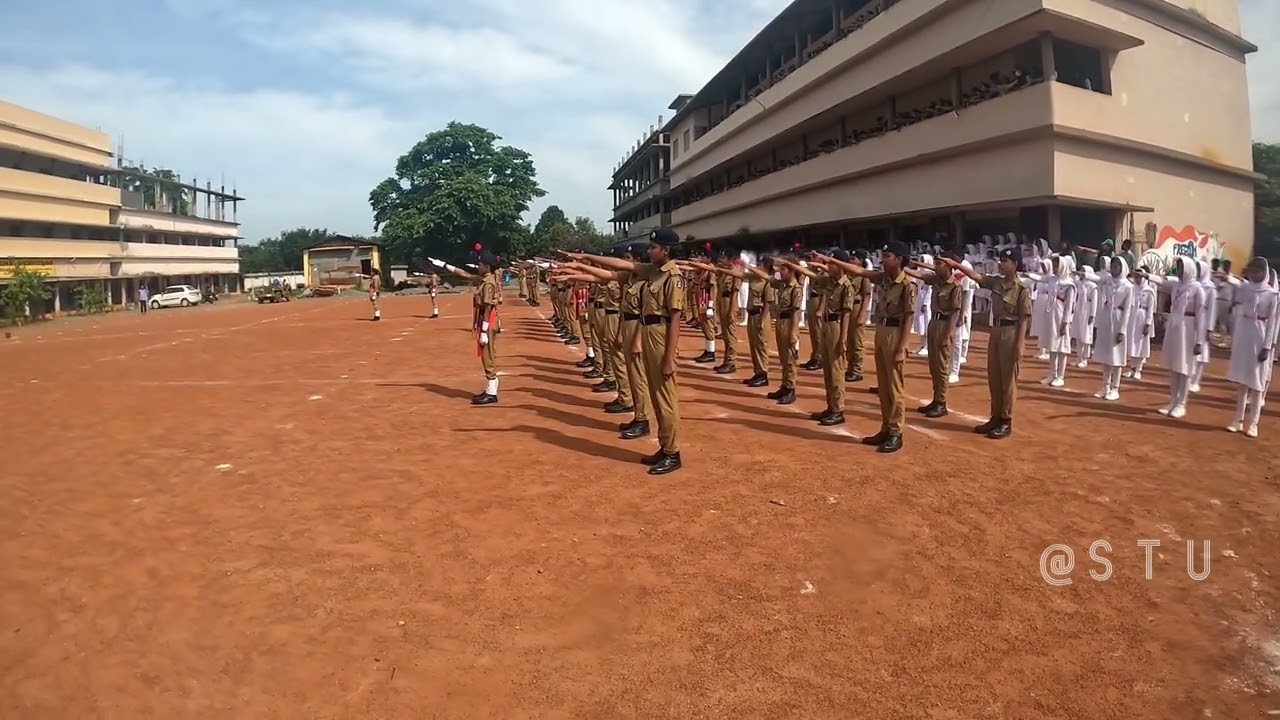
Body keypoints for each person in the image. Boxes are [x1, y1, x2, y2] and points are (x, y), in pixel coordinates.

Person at [557, 230, 685, 474]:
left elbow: (676, 320)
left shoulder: (673, 277)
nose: (650, 251)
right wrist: (583, 259)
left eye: (654, 247)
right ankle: (665, 447)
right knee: (655, 395)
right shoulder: (653, 271)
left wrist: (669, 358)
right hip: (648, 331)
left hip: (661, 335)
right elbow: (617, 267)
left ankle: (673, 452)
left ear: (666, 250)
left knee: (665, 398)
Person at [816, 242, 916, 452]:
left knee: (894, 387)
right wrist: (832, 260)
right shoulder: (884, 279)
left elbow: (909, 317)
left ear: (899, 259)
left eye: (887, 256)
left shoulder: (907, 285)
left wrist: (902, 347)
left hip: (895, 333)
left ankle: (896, 432)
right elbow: (860, 271)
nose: (883, 259)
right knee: (883, 386)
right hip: (882, 331)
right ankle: (886, 428)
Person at [940, 248, 1030, 439]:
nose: (1001, 264)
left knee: (1008, 380)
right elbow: (976, 276)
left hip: (1011, 332)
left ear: (1015, 264)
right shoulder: (997, 282)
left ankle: (1006, 420)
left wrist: (1020, 344)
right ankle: (995, 417)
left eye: (1005, 261)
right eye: (1001, 261)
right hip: (995, 331)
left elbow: (1024, 318)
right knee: (994, 377)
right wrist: (956, 265)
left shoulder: (1021, 289)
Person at [786, 251, 854, 426]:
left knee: (836, 370)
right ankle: (831, 406)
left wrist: (843, 340)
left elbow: (846, 314)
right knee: (828, 370)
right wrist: (792, 265)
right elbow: (810, 274)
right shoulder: (828, 281)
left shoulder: (846, 286)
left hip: (836, 326)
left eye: (832, 263)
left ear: (842, 265)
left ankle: (838, 409)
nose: (829, 266)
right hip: (826, 324)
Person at [430, 250, 502, 405]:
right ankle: (490, 388)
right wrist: (444, 265)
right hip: (486, 322)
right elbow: (465, 274)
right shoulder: (484, 279)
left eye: (480, 264)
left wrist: (484, 330)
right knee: (486, 355)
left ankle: (492, 392)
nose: (478, 267)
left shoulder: (488, 283)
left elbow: (487, 307)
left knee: (487, 356)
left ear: (487, 266)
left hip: (488, 322)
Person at [1220, 258, 1277, 437]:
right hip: (1244, 335)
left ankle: (1253, 423)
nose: (1253, 274)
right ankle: (1238, 419)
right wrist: (1227, 277)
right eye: (1251, 271)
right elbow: (1237, 283)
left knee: (1257, 383)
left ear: (1264, 273)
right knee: (1243, 381)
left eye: (1257, 271)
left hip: (1260, 336)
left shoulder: (1272, 295)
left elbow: (1273, 324)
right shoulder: (1246, 288)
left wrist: (1267, 346)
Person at [907, 251, 965, 416]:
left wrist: (947, 335)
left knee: (941, 365)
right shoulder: (936, 280)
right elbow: (920, 275)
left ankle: (941, 402)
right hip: (934, 322)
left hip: (945, 325)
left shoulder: (954, 286)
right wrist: (903, 268)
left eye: (939, 264)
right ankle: (936, 399)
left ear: (948, 265)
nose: (935, 266)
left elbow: (955, 313)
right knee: (933, 364)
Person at [1146, 258, 1204, 418]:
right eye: (1178, 268)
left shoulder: (1197, 289)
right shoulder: (1177, 285)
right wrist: (1146, 276)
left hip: (1188, 329)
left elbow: (1201, 316)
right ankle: (1172, 401)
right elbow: (1162, 281)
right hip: (1174, 327)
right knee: (1174, 367)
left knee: (1184, 368)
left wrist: (1199, 340)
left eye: (1181, 268)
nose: (1179, 271)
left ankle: (1181, 403)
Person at [1080, 257, 1134, 402]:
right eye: (1113, 266)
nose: (1114, 269)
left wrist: (1122, 330)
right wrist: (1084, 274)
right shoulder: (1108, 280)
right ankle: (1106, 386)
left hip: (1118, 319)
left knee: (1117, 356)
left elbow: (1128, 310)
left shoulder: (1128, 286)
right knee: (1106, 356)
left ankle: (1115, 388)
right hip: (1106, 317)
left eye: (1117, 266)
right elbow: (1097, 278)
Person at [844, 250, 873, 383]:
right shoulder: (848, 273)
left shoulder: (863, 275)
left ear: (860, 261)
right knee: (849, 340)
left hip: (857, 306)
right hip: (848, 307)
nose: (851, 260)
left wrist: (862, 314)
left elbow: (867, 295)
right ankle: (850, 367)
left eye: (854, 258)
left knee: (857, 340)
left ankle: (857, 370)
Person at [1188, 260, 1217, 393]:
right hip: (1193, 318)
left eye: (1199, 269)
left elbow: (1212, 309)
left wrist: (1209, 328)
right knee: (1191, 348)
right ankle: (1189, 377)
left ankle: (1196, 380)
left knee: (1201, 352)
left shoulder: (1210, 289)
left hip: (1204, 319)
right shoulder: (1193, 285)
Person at [713, 249, 743, 375]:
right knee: (725, 334)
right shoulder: (724, 271)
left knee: (730, 334)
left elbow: (734, 293)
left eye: (724, 258)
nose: (721, 260)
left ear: (731, 259)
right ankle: (726, 360)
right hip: (722, 301)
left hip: (730, 302)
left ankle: (731, 362)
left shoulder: (735, 273)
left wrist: (731, 311)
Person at [1125, 268, 1156, 380]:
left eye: (1140, 277)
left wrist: (1148, 324)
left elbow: (1150, 309)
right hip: (1133, 317)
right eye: (1136, 277)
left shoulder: (1149, 291)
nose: (1137, 279)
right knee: (1132, 343)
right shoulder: (1132, 288)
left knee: (1141, 344)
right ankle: (1132, 368)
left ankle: (1138, 369)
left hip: (1143, 317)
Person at [1073, 263, 1098, 368]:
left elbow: (1094, 302)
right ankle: (1079, 357)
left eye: (1084, 271)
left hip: (1087, 310)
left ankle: (1085, 359)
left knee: (1086, 336)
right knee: (1078, 335)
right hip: (1079, 309)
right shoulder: (1079, 283)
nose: (1081, 273)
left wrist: (1092, 314)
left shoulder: (1093, 286)